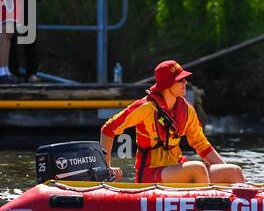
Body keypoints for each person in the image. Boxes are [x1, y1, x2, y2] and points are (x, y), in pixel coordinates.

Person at [100, 60, 246, 185]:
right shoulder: (145, 107)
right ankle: (204, 210)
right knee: (197, 168)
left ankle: (238, 209)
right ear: (167, 84)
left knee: (234, 171)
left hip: (178, 169)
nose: (185, 82)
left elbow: (202, 146)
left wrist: (224, 173)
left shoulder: (187, 110)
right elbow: (108, 129)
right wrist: (107, 167)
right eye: (180, 80)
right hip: (150, 176)